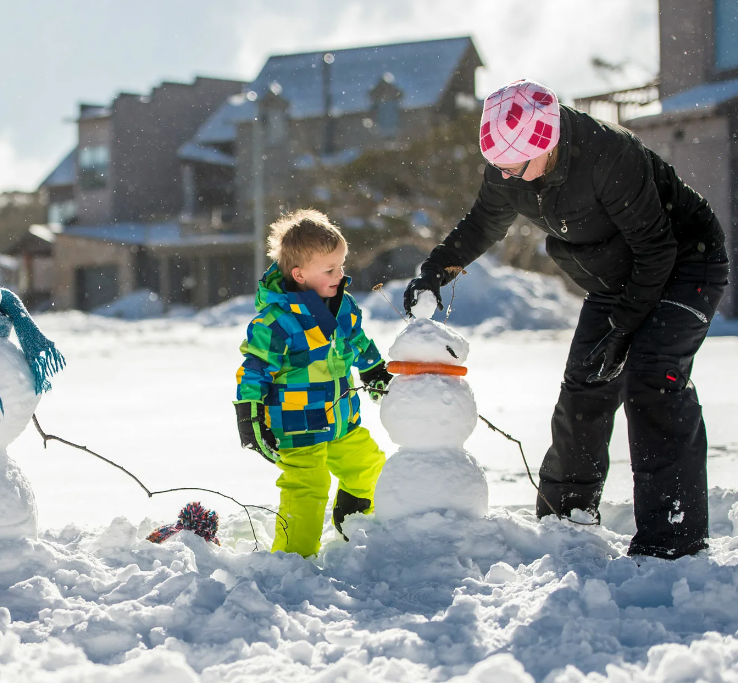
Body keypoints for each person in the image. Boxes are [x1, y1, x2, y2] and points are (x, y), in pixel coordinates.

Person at [403, 79, 729, 560]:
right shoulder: (508, 169)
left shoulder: (608, 157)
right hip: (616, 275)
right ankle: (566, 518)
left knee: (652, 378)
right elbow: (482, 224)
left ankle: (672, 537)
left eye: (516, 167)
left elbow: (656, 250)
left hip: (682, 262)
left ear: (548, 142)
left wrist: (622, 330)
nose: (507, 176)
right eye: (500, 167)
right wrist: (435, 270)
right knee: (584, 385)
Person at [235, 210, 392, 556]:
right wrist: (249, 415)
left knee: (369, 465)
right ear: (299, 274)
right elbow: (255, 369)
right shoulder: (277, 321)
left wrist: (374, 370)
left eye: (341, 266)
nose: (341, 275)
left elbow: (358, 342)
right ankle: (293, 559)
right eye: (331, 270)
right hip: (297, 427)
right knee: (308, 487)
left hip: (340, 421)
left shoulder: (343, 306)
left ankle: (351, 522)